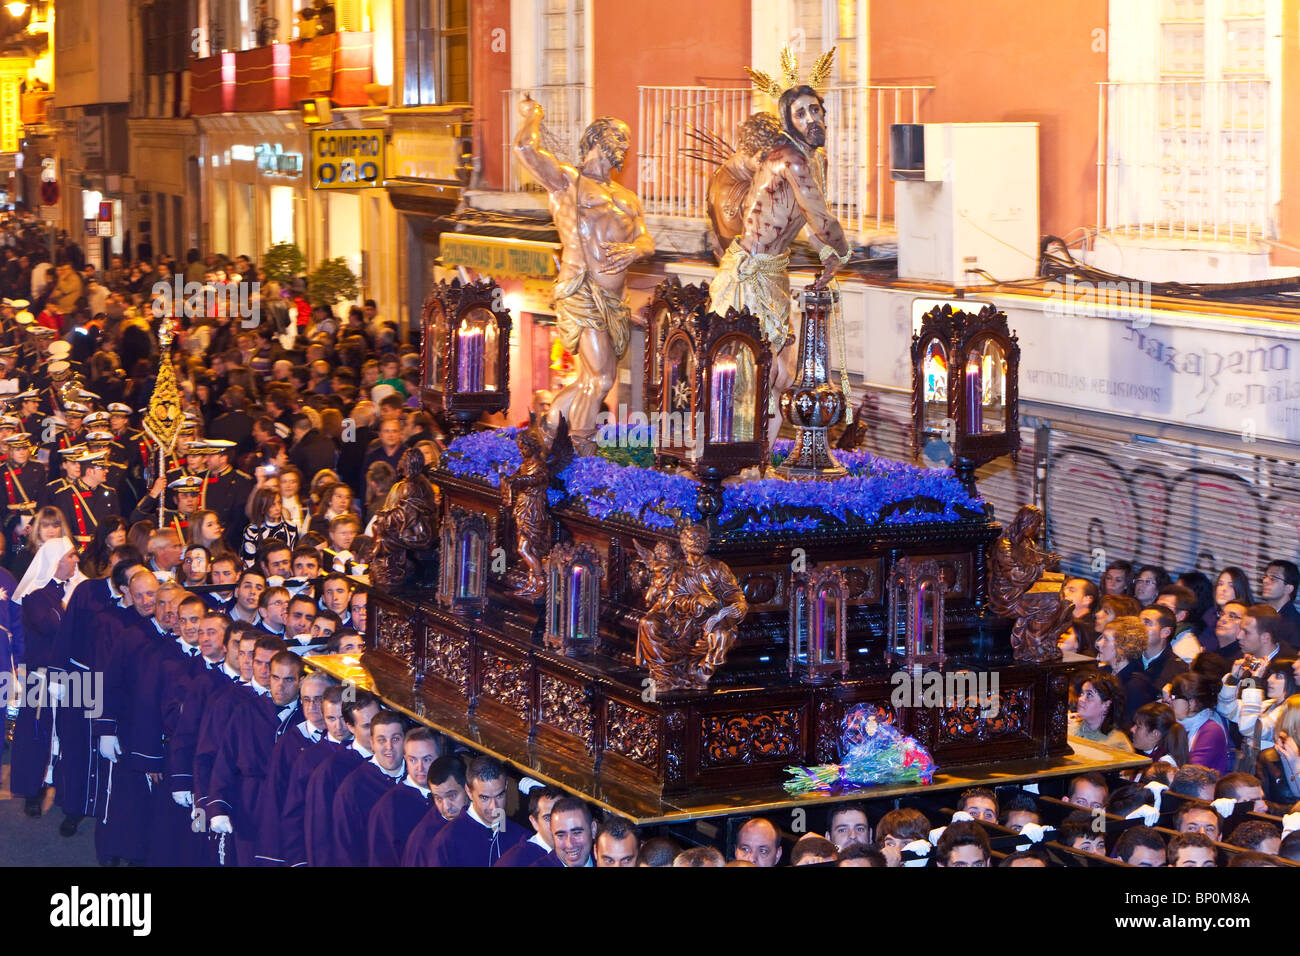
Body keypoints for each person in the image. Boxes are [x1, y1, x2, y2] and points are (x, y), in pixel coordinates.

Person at [513, 97, 655, 445]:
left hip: (614, 301)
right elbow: (523, 148)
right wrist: (534, 116)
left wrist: (636, 249)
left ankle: (547, 433)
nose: (625, 145)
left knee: (589, 378)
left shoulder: (627, 197)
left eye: (627, 140)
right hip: (581, 290)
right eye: (619, 137)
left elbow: (647, 239)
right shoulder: (567, 182)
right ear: (596, 139)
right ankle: (581, 449)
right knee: (602, 379)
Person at [330, 710, 408, 866]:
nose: (389, 747)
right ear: (372, 743)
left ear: (406, 741)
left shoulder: (419, 779)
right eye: (381, 740)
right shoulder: (352, 789)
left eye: (395, 739)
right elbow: (346, 851)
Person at [420, 756, 526, 867]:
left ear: (506, 786)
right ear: (469, 792)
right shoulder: (446, 842)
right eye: (485, 798)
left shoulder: (521, 836)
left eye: (499, 796)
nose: (494, 807)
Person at [366, 727, 443, 867]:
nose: (420, 767)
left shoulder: (451, 799)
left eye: (427, 759)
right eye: (413, 760)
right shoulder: (388, 808)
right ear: (405, 758)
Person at [401, 754, 469, 867]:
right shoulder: (422, 840)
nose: (446, 807)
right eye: (438, 798)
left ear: (468, 789)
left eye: (452, 796)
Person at [1168, 672, 1231, 775]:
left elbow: (1192, 772)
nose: (1169, 700)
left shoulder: (1211, 730)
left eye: (1174, 697)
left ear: (1192, 703)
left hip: (1199, 788)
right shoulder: (1176, 724)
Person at [495, 785, 561, 867]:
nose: (557, 823)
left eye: (562, 816)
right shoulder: (513, 862)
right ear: (534, 822)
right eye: (548, 818)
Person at [1069, 670, 1134, 751]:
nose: (1081, 699)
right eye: (1082, 694)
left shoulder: (1117, 743)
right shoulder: (1069, 731)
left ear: (1106, 705)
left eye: (1089, 695)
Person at [1254, 694, 1300, 804]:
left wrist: (1296, 765)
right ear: (1294, 725)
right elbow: (1264, 805)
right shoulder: (1269, 758)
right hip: (1281, 820)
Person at [532, 797, 597, 868]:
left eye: (576, 833)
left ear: (593, 830)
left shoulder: (606, 862)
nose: (569, 845)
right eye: (560, 835)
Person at [1131, 701, 1189, 767]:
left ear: (1155, 734)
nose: (1132, 729)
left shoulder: (1165, 765)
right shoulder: (1142, 755)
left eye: (1138, 727)